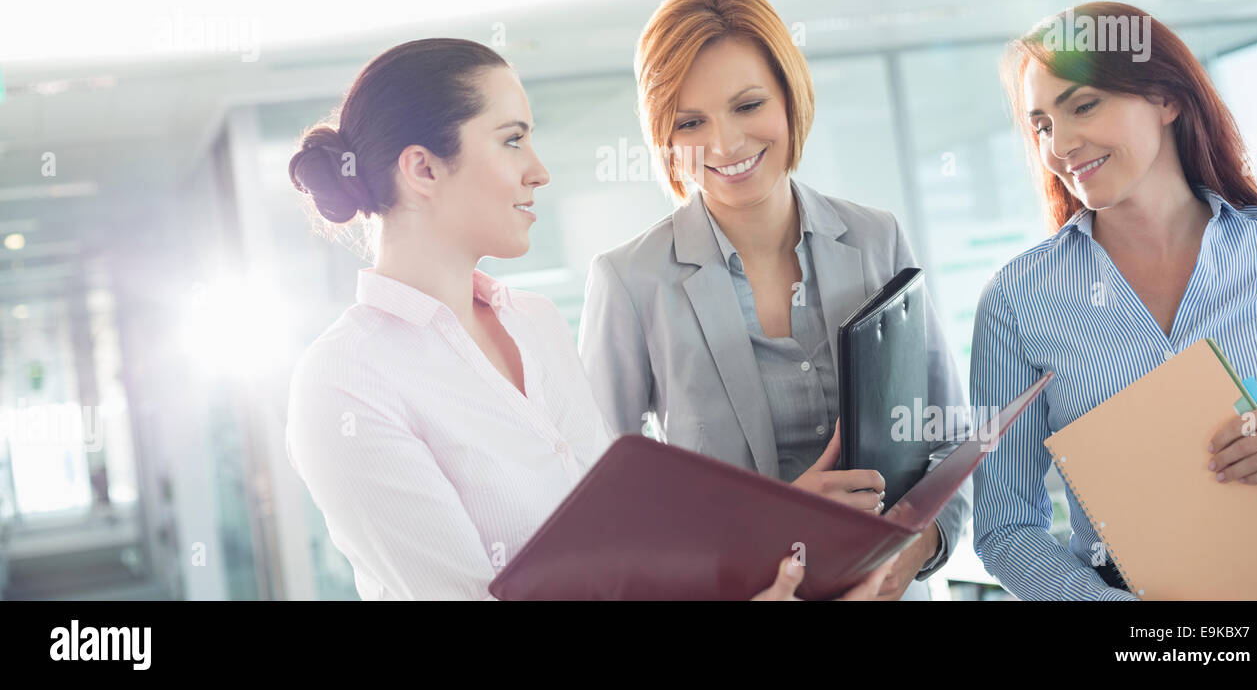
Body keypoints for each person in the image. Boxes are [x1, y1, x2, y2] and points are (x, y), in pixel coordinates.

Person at [284, 37, 899, 600]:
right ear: (423, 169)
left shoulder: (534, 322)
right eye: (511, 139)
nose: (538, 170)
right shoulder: (346, 381)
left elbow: (633, 552)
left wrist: (783, 531)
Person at [578, 0, 970, 600]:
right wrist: (781, 522)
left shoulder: (875, 238)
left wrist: (917, 548)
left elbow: (948, 431)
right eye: (690, 121)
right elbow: (606, 511)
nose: (727, 144)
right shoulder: (631, 281)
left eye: (748, 105)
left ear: (790, 96)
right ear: (663, 136)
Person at [970, 2, 1257, 601]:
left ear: (1167, 99)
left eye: (1084, 105)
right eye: (1041, 124)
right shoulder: (1018, 301)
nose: (1060, 144)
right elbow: (1005, 525)